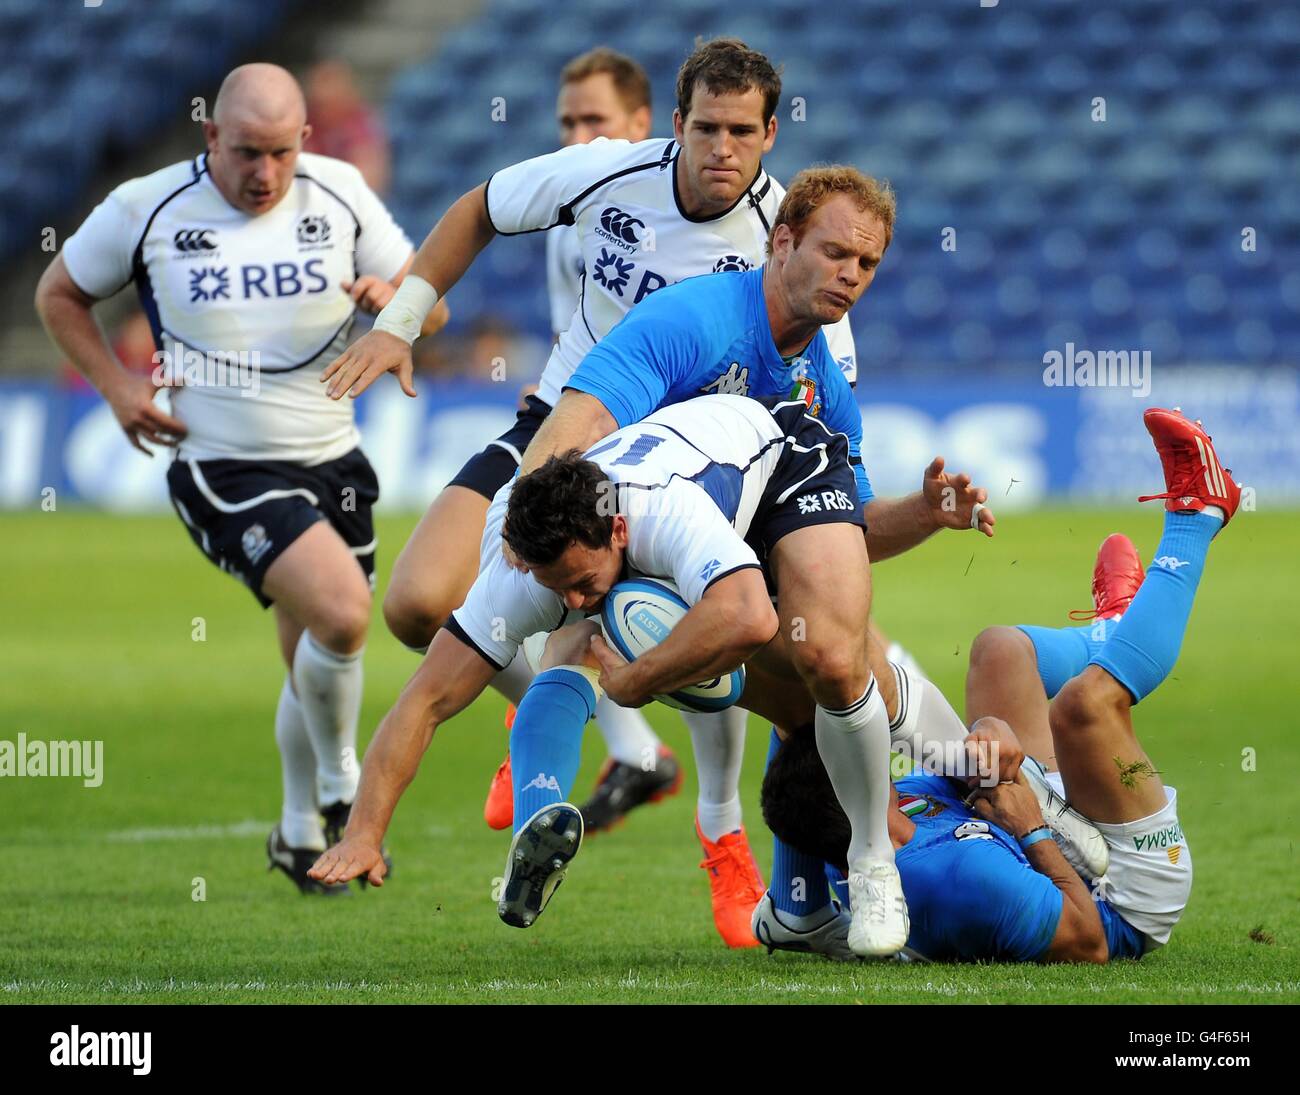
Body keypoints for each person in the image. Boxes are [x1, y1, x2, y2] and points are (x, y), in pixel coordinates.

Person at [325, 37, 861, 946]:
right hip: (563, 428)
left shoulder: (787, 242)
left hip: (699, 462)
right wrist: (400, 321)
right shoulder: (606, 174)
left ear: (772, 134)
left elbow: (827, 398)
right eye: (705, 129)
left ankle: (726, 831)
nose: (721, 149)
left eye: (742, 132)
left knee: (767, 649)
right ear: (675, 126)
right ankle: (581, 721)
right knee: (420, 604)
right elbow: (479, 208)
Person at [309, 393, 943, 955]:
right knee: (587, 631)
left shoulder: (665, 515)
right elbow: (425, 701)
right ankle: (543, 812)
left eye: (582, 580)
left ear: (617, 531)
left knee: (826, 668)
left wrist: (640, 682)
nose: (576, 598)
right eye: (560, 586)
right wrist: (365, 833)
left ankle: (891, 834)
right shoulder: (523, 576)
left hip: (776, 461)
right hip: (614, 513)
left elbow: (748, 617)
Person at [34, 62, 448, 896]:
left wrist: (393, 302)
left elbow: (431, 304)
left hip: (334, 458)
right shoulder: (145, 207)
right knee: (340, 611)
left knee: (313, 651)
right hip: (219, 461)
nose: (264, 175)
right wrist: (117, 387)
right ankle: (339, 782)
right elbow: (59, 292)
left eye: (280, 154)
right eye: (245, 153)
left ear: (305, 141)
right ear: (210, 136)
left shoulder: (337, 192)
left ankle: (298, 833)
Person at [759, 408, 1240, 962]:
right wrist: (1032, 830)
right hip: (1118, 894)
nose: (882, 751)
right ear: (857, 791)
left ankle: (1117, 631)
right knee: (1084, 707)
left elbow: (799, 735)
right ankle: (1200, 514)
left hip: (1049, 821)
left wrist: (987, 738)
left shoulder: (880, 815)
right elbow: (1089, 944)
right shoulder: (953, 879)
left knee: (999, 651)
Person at [480, 47, 686, 844]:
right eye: (565, 120)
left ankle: (719, 825)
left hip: (658, 436)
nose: (573, 134)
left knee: (681, 616)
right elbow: (583, 328)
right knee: (454, 594)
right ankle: (602, 741)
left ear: (642, 128)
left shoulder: (669, 204)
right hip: (574, 415)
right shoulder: (574, 205)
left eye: (592, 120)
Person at [303, 60, 390, 195]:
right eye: (318, 103)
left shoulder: (361, 125)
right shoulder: (306, 123)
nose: (322, 108)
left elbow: (366, 181)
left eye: (329, 103)